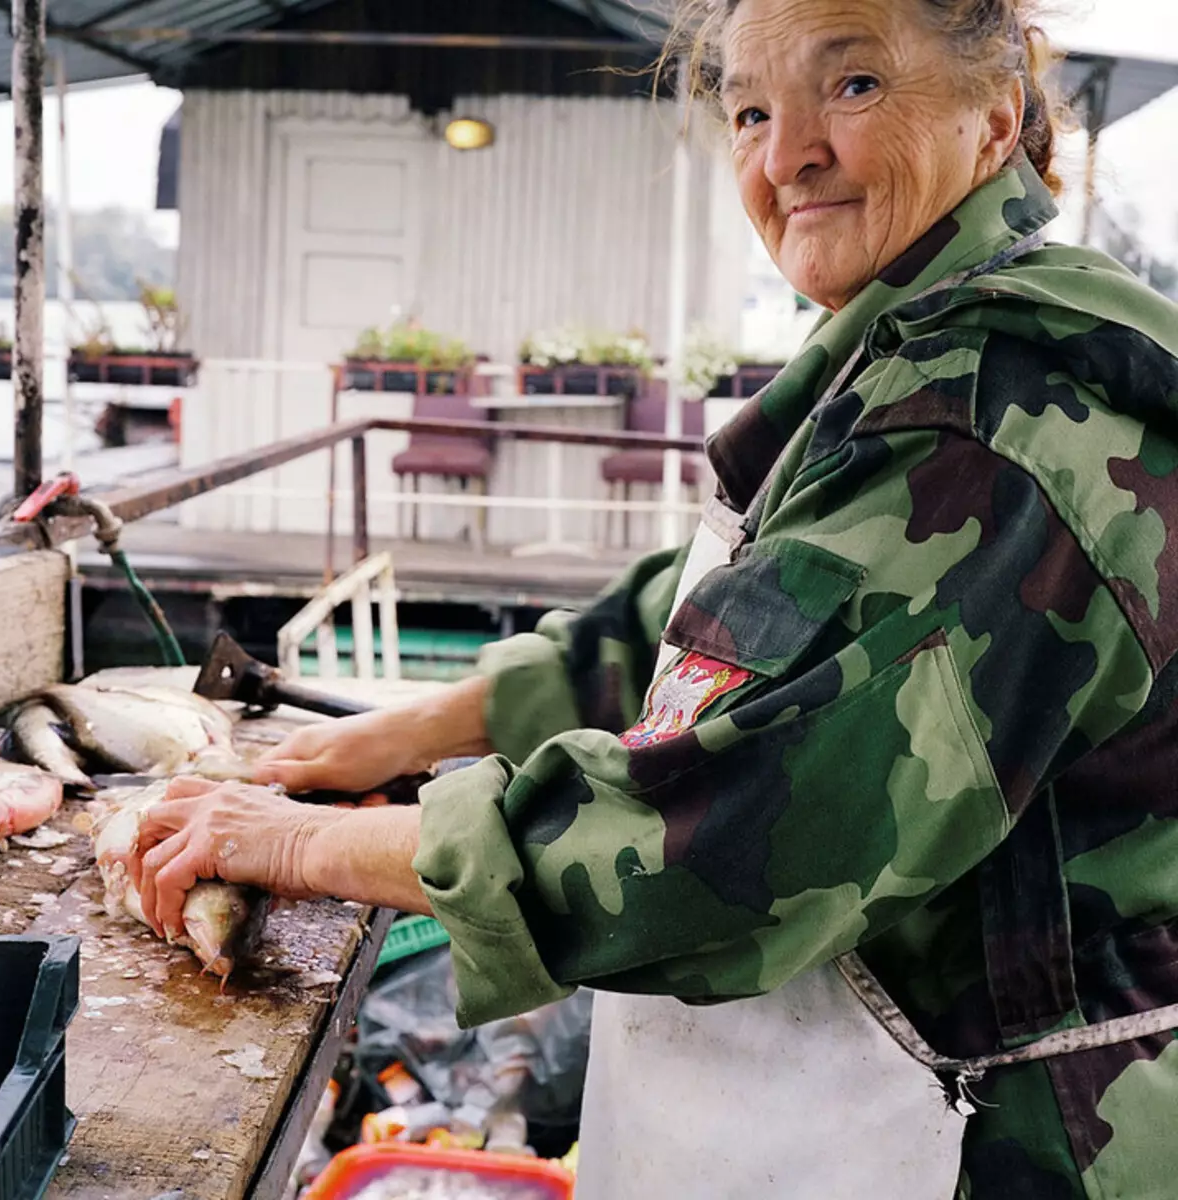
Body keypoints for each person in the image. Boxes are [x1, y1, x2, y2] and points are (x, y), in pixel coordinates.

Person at [128, 0, 1178, 1195]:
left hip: (984, 1146)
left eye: (854, 87)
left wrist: (301, 841)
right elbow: (704, 629)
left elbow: (717, 848)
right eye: (749, 110)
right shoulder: (908, 344)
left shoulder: (999, 426)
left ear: (995, 121)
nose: (786, 157)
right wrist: (385, 737)